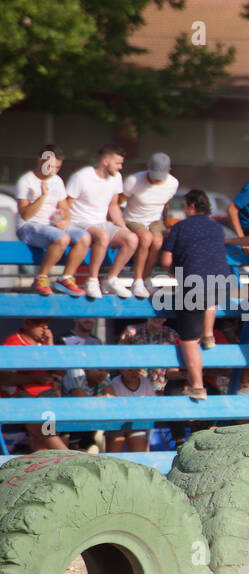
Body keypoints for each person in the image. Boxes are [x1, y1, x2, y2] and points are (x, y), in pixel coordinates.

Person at [158, 189, 237, 400]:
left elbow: (166, 261)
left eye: (185, 206)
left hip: (193, 285)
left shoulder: (180, 227)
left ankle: (197, 386)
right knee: (211, 294)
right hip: (223, 283)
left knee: (189, 340)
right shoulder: (217, 228)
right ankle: (209, 333)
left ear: (191, 205)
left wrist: (177, 274)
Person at [64, 143, 138, 298]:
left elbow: (113, 206)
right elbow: (66, 204)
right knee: (103, 235)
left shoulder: (116, 177)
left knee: (131, 239)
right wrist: (62, 224)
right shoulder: (82, 176)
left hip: (100, 222)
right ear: (105, 161)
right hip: (78, 222)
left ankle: (111, 279)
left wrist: (123, 227)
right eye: (118, 163)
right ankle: (92, 280)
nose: (120, 167)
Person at [15, 144, 90, 296]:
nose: (54, 170)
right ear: (40, 161)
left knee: (84, 237)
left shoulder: (57, 181)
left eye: (58, 167)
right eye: (51, 166)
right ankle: (41, 277)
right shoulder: (26, 181)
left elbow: (64, 208)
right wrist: (42, 196)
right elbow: (25, 215)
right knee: (62, 239)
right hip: (29, 227)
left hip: (50, 227)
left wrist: (64, 220)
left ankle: (66, 278)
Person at [2, 318, 69, 450]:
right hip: (19, 396)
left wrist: (50, 346)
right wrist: (36, 378)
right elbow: (4, 378)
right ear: (27, 323)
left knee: (59, 424)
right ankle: (68, 457)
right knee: (43, 428)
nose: (45, 329)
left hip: (45, 395)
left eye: (47, 325)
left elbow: (62, 372)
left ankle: (62, 459)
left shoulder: (44, 343)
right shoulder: (13, 342)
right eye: (40, 325)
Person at [118, 153, 179, 298]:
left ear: (169, 169)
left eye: (160, 176)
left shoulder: (173, 183)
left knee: (157, 241)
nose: (157, 180)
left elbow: (166, 204)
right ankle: (137, 280)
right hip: (132, 218)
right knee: (145, 238)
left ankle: (147, 278)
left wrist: (165, 223)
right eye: (154, 175)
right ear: (147, 168)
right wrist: (118, 225)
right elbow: (118, 202)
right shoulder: (133, 181)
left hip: (154, 219)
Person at [102, 368, 155, 452]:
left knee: (140, 454)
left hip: (137, 423)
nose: (134, 373)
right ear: (122, 370)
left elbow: (151, 405)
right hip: (118, 423)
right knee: (114, 453)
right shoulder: (115, 382)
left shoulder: (145, 382)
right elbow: (115, 408)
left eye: (137, 370)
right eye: (130, 370)